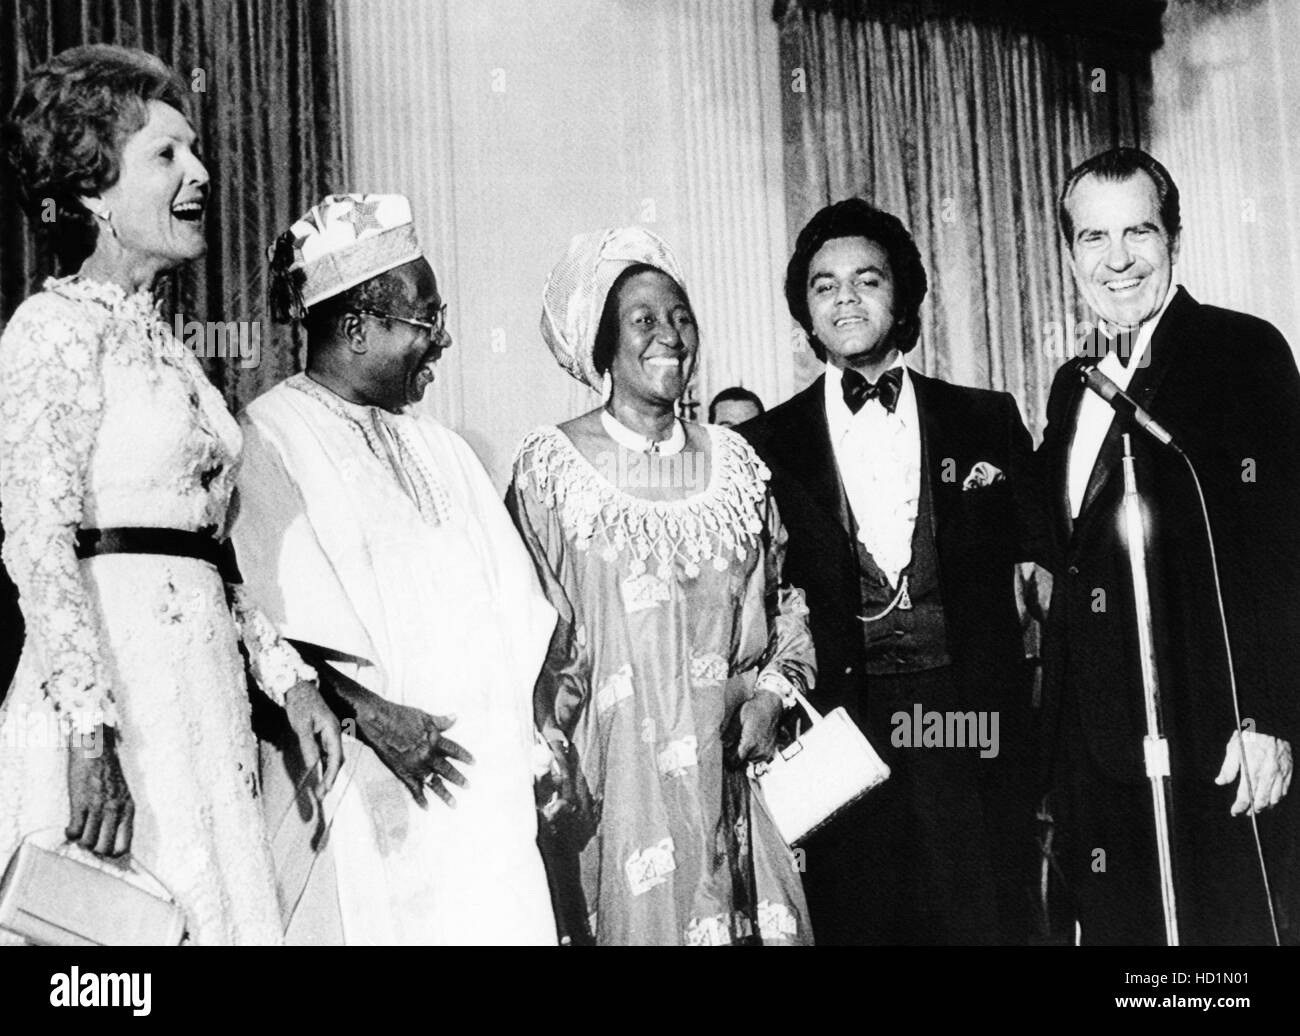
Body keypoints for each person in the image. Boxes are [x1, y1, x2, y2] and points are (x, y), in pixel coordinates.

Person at [0, 44, 341, 946]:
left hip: (202, 703)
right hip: (113, 703)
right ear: (88, 192)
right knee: (106, 954)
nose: (199, 175)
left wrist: (292, 684)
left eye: (196, 152)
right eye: (166, 155)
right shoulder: (52, 331)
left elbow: (210, 553)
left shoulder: (174, 352)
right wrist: (87, 735)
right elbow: (35, 540)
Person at [232, 193, 558, 945]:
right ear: (354, 328)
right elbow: (267, 633)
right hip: (364, 788)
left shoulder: (443, 448)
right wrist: (371, 715)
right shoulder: (267, 439)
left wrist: (537, 736)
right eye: (426, 320)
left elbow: (517, 614)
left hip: (485, 802)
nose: (442, 341)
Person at [739, 198, 1043, 945]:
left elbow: (1045, 576)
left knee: (984, 918)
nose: (845, 298)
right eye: (823, 285)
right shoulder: (761, 445)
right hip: (839, 727)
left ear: (901, 296)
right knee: (859, 922)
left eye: (867, 279)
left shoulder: (985, 419)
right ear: (805, 313)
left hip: (963, 720)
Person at [507, 226, 816, 946]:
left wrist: (771, 694)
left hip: (733, 782)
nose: (669, 335)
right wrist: (553, 757)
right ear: (603, 346)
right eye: (643, 321)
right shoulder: (551, 471)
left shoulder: (736, 464)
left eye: (680, 317)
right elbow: (528, 639)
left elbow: (787, 602)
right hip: (618, 795)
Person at [1033, 147, 1300, 945]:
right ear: (1068, 251)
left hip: (1214, 749)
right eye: (1092, 238)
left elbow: (1283, 549)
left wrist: (1271, 718)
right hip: (1097, 761)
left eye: (1137, 233)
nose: (1116, 260)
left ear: (1173, 240)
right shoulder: (1071, 383)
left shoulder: (1238, 351)